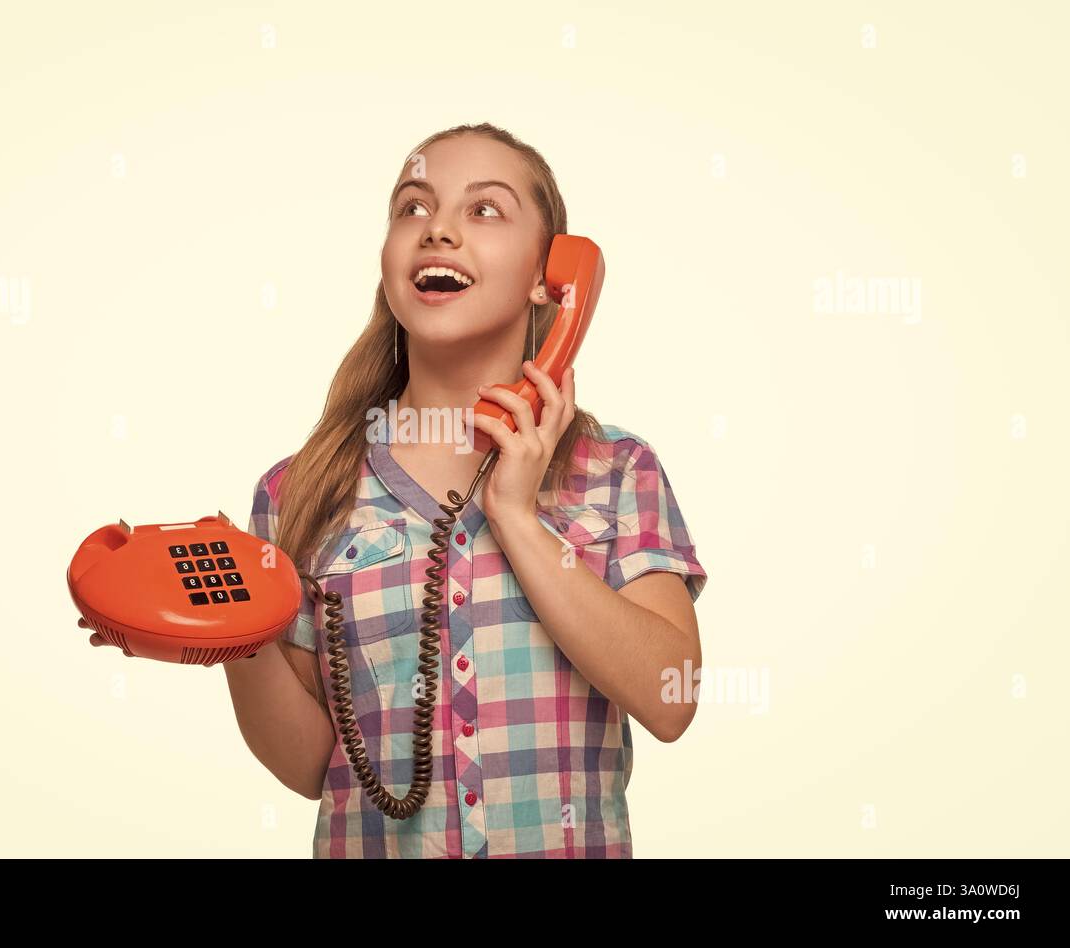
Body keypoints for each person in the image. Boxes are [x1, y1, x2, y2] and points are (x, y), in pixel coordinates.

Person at [91, 122, 708, 858]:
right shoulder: (298, 492)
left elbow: (671, 698)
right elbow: (307, 766)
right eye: (413, 207)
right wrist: (235, 634)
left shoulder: (616, 472)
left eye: (484, 210)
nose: (438, 229)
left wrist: (513, 514)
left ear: (556, 276)